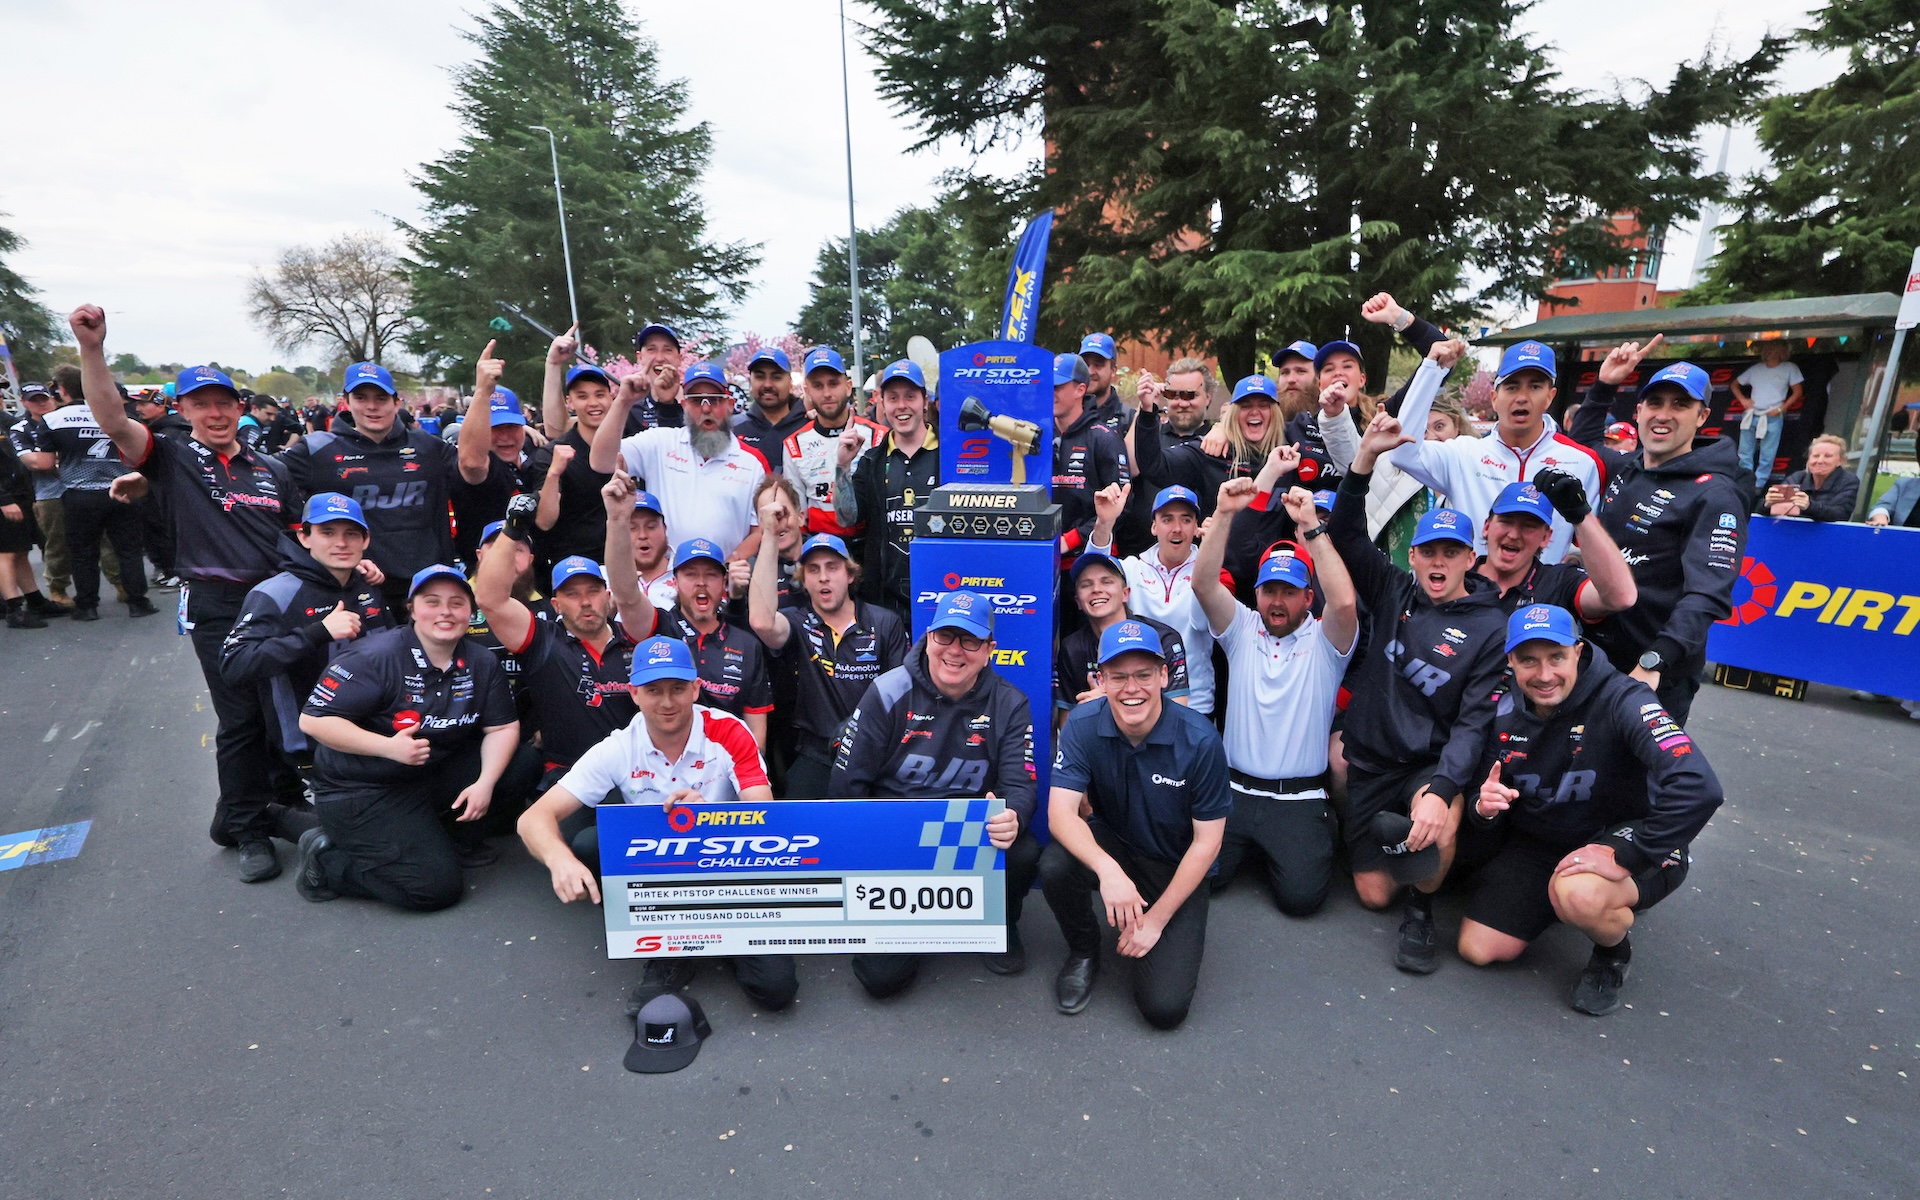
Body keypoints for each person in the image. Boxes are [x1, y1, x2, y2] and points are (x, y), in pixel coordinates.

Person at [70, 305, 306, 881]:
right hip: (217, 605)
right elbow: (113, 420)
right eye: (202, 404)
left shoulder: (272, 468)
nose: (216, 413)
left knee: (282, 710)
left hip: (276, 603)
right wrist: (92, 349)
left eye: (224, 402)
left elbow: (302, 535)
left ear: (240, 408)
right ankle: (249, 830)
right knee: (241, 718)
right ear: (184, 411)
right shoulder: (171, 456)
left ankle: (270, 805)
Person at [1459, 604, 1723, 1016]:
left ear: (1578, 652)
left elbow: (1699, 785)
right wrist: (1483, 807)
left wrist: (1632, 855)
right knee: (1478, 948)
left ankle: (1611, 953)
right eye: (1529, 660)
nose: (1544, 675)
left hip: (1629, 836)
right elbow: (1483, 796)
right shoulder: (1502, 705)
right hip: (1547, 842)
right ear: (1510, 660)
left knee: (1580, 896)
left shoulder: (1623, 697)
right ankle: (1569, 902)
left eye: (1556, 657)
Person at [514, 635, 798, 1012]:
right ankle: (665, 942)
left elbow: (765, 816)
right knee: (588, 846)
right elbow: (532, 819)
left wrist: (712, 820)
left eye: (677, 688)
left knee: (776, 990)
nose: (666, 702)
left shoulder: (729, 731)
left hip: (728, 868)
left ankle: (720, 933)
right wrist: (559, 860)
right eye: (653, 690)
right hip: (660, 874)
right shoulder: (619, 746)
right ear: (634, 693)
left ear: (695, 689)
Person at [1330, 411, 1508, 972]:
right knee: (1371, 895)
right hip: (1371, 760)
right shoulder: (1392, 588)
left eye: (1451, 552)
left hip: (1425, 763)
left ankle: (1423, 909)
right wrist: (1363, 460)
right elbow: (1345, 535)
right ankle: (1396, 843)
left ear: (1470, 559)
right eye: (1429, 551)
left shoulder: (1491, 626)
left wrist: (1444, 787)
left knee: (1440, 819)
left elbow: (1475, 722)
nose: (1439, 562)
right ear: (1412, 555)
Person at [833, 591, 1040, 989]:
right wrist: (864, 850)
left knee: (1023, 848)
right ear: (928, 638)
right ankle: (905, 920)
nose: (955, 651)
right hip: (896, 835)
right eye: (945, 636)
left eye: (970, 640)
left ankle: (1000, 921)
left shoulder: (1010, 702)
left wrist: (1013, 814)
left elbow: (1021, 784)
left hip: (964, 834)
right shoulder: (887, 690)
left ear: (989, 650)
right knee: (882, 981)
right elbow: (847, 787)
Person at [292, 565, 520, 910]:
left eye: (457, 603)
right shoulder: (373, 657)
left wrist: (485, 783)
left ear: (470, 613)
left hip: (426, 773)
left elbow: (502, 728)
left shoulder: (481, 661)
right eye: (432, 602)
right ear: (411, 609)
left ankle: (446, 841)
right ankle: (328, 864)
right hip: (362, 789)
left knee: (521, 764)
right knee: (434, 890)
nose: (445, 612)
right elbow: (313, 720)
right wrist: (387, 747)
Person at [1040, 620, 1230, 1028]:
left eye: (1144, 675)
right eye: (1118, 676)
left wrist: (1156, 921)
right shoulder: (1082, 724)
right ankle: (1084, 950)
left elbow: (1208, 843)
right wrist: (1108, 870)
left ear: (1163, 676)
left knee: (1164, 1008)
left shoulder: (1201, 740)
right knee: (1055, 864)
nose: (1132, 689)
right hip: (1118, 845)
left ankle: (1154, 919)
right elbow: (1060, 814)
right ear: (1101, 680)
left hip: (1176, 864)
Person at [1191, 480, 1357, 917]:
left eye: (1289, 591)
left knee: (1301, 901)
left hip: (1297, 801)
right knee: (1203, 881)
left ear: (1308, 596)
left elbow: (1344, 604)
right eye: (1269, 590)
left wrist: (1312, 528)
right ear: (1257, 594)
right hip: (1232, 793)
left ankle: (1315, 837)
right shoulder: (1242, 628)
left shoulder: (1325, 639)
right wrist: (1224, 514)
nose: (1277, 601)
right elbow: (1203, 584)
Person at [1568, 338, 1747, 724]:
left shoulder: (1715, 494)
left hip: (1655, 672)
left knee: (1634, 765)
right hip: (1592, 657)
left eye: (1680, 404)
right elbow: (1581, 447)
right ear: (1638, 411)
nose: (1663, 415)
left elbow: (1707, 595)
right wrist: (1604, 384)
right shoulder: (1626, 467)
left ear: (1702, 416)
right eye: (1655, 403)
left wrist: (1656, 660)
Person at [220, 493, 393, 797]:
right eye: (327, 532)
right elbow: (234, 664)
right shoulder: (274, 594)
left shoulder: (367, 585)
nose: (341, 543)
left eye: (351, 534)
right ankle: (271, 814)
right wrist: (317, 633)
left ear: (365, 541)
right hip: (307, 752)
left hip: (372, 737)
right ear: (304, 537)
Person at [280, 361, 491, 606]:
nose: (372, 406)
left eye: (381, 398)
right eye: (361, 398)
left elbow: (474, 467)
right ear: (346, 402)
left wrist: (485, 394)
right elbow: (265, 481)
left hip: (427, 587)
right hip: (355, 590)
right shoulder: (317, 451)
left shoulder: (428, 447)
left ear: (396, 403)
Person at [473, 498, 639, 803]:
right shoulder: (543, 639)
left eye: (593, 591)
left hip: (636, 776)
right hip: (569, 778)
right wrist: (513, 529)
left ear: (608, 596)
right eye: (572, 594)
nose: (585, 602)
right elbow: (489, 599)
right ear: (556, 604)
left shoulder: (636, 640)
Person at [745, 490, 908, 797]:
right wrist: (768, 535)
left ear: (850, 574)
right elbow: (762, 622)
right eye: (813, 570)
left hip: (875, 752)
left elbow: (901, 698)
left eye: (832, 567)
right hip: (816, 755)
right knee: (795, 819)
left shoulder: (885, 623)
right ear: (803, 580)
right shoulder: (797, 623)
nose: (823, 577)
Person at [1386, 339, 1603, 562]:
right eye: (1512, 386)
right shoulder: (1464, 454)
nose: (1522, 397)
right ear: (1494, 398)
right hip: (1474, 584)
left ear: (1550, 396)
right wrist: (1431, 370)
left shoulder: (1581, 463)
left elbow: (1591, 546)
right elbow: (1403, 452)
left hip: (1546, 585)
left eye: (1535, 386)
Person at [590, 362, 768, 560]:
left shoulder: (750, 464)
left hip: (723, 575)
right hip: (664, 575)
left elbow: (759, 530)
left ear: (730, 405)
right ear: (684, 405)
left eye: (714, 399)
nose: (706, 408)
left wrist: (728, 566)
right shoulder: (660, 442)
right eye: (696, 400)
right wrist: (623, 401)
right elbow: (601, 461)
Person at [615, 535, 773, 747]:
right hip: (658, 758)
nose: (701, 583)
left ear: (724, 582)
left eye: (711, 575)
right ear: (674, 582)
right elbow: (627, 597)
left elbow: (756, 737)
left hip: (725, 760)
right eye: (691, 575)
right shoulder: (657, 626)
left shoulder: (746, 644)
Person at [1087, 483, 1216, 716]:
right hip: (1137, 698)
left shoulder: (1212, 573)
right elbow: (1092, 578)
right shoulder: (1133, 568)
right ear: (1154, 526)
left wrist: (1211, 550)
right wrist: (1104, 523)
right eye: (1167, 519)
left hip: (1194, 702)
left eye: (1186, 520)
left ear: (1196, 527)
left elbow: (1203, 623)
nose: (1177, 528)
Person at [40, 365, 155, 621]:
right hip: (122, 489)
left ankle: (87, 606)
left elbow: (46, 463)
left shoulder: (53, 419)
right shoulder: (119, 416)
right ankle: (138, 602)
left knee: (83, 553)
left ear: (62, 390)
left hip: (79, 494)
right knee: (129, 550)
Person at [834, 360, 942, 615]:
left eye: (910, 396)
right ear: (882, 402)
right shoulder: (872, 461)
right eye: (893, 398)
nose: (902, 405)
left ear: (924, 401)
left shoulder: (950, 456)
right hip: (884, 603)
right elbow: (846, 518)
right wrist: (842, 465)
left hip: (941, 590)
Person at [1053, 538, 1191, 720]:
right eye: (1086, 585)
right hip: (1096, 738)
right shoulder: (1072, 649)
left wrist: (1106, 701)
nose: (1096, 589)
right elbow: (1067, 726)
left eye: (1106, 581)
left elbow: (1178, 717)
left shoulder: (1163, 639)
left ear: (1126, 594)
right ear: (1078, 601)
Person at [1472, 476, 1637, 619]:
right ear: (1486, 526)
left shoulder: (1557, 582)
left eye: (1528, 526)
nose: (1514, 535)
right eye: (1506, 522)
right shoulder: (1461, 576)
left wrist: (1580, 514)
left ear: (1546, 537)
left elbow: (1621, 598)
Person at [781, 347, 883, 537]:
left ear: (848, 386)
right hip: (819, 546)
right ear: (807, 391)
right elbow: (797, 516)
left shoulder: (878, 436)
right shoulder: (794, 445)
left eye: (833, 383)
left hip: (869, 544)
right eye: (818, 386)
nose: (827, 393)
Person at [453, 343, 538, 569]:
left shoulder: (534, 456)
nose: (505, 436)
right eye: (495, 428)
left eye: (512, 427)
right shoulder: (485, 468)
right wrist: (482, 390)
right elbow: (472, 462)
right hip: (487, 574)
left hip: (535, 576)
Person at [1050, 354, 1131, 565]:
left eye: (1058, 386)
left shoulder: (1103, 437)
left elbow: (1122, 504)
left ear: (1080, 390)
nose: (1051, 392)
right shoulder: (1038, 435)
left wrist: (1072, 539)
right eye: (1048, 385)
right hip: (1043, 557)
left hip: (1090, 561)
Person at [7, 383, 69, 617]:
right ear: (24, 403)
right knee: (55, 544)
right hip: (44, 493)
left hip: (82, 490)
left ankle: (108, 589)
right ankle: (57, 590)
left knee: (101, 542)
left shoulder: (66, 420)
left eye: (44, 398)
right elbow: (34, 462)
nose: (41, 403)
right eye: (34, 400)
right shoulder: (20, 428)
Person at [1731, 339, 1805, 489]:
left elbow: (1798, 391)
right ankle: (1745, 481)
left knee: (1767, 454)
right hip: (1752, 414)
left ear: (1782, 352)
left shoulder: (1789, 368)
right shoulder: (1756, 369)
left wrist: (1782, 408)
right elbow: (1734, 384)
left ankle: (1759, 485)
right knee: (1744, 452)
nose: (1770, 352)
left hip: (1772, 416)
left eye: (1774, 349)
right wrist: (1743, 400)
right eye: (1768, 349)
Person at [732, 347, 809, 472]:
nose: (767, 385)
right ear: (751, 383)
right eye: (760, 377)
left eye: (776, 377)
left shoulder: (810, 426)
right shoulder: (733, 428)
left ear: (790, 383)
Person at [0, 431, 44, 629]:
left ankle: (35, 600)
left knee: (20, 551)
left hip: (17, 495)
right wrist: (4, 499)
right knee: (6, 554)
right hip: (6, 499)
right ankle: (13, 609)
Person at [1766, 434, 1858, 522]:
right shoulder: (1798, 477)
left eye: (1828, 456)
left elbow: (1841, 514)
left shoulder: (1848, 480)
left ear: (1841, 461)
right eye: (1816, 456)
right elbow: (1765, 509)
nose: (1820, 461)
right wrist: (1767, 504)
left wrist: (1810, 506)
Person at [1076, 333, 1132, 438]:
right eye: (1085, 364)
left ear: (1113, 370)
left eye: (1098, 365)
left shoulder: (1128, 419)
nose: (1090, 371)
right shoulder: (1065, 415)